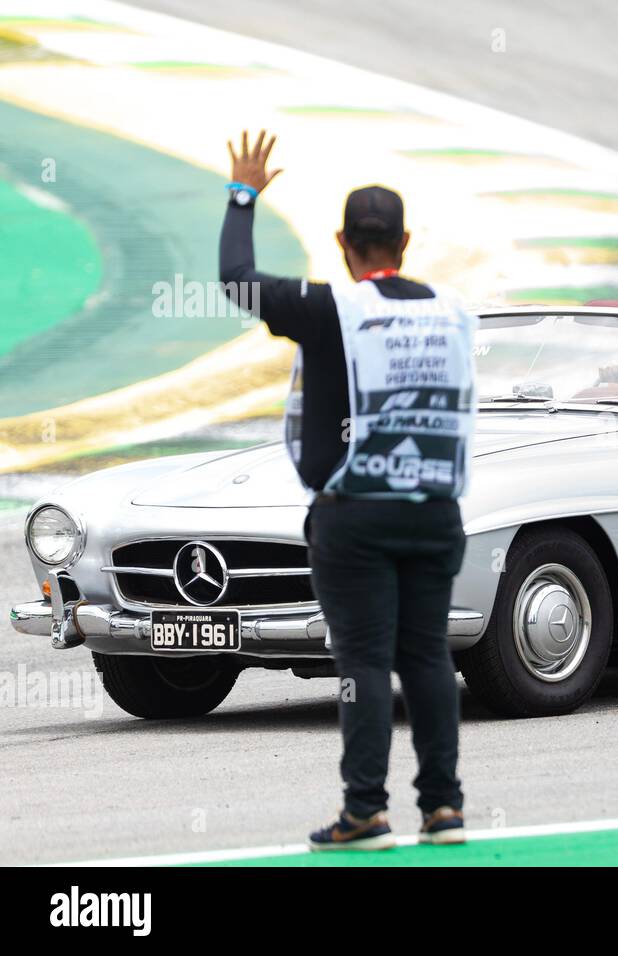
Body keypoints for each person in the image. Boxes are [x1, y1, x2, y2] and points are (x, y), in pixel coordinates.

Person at [219, 130, 478, 847]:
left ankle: (366, 811)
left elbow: (235, 276)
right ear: (405, 240)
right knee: (427, 655)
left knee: (364, 660)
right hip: (435, 508)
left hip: (353, 513)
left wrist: (244, 195)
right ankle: (444, 808)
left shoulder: (327, 307)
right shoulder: (452, 311)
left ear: (341, 241)